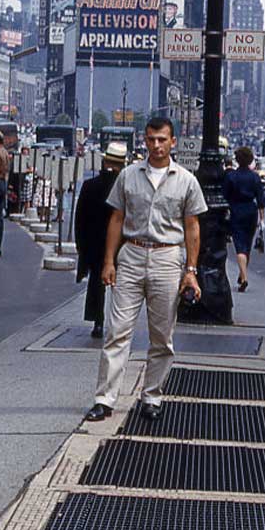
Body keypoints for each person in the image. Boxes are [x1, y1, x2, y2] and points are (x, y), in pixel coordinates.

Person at [83, 116, 207, 423]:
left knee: (162, 336)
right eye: (151, 139)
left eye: (162, 139)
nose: (156, 145)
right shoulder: (128, 176)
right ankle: (105, 398)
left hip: (167, 257)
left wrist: (191, 270)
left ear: (173, 142)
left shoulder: (186, 180)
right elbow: (116, 219)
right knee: (117, 330)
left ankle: (152, 396)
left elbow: (192, 227)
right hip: (132, 254)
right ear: (144, 140)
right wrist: (109, 261)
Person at [75, 141, 128, 338]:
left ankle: (98, 322)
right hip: (122, 243)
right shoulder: (126, 188)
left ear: (105, 161)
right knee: (121, 285)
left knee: (96, 284)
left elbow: (80, 219)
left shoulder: (90, 186)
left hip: (95, 243)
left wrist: (81, 246)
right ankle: (120, 323)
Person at [223, 146, 265, 293]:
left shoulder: (231, 176)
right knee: (247, 244)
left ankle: (244, 277)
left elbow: (224, 196)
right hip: (251, 211)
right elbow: (261, 199)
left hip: (236, 210)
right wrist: (262, 219)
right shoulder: (255, 177)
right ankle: (242, 275)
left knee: (239, 245)